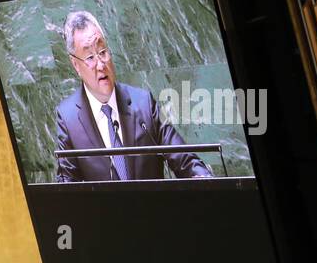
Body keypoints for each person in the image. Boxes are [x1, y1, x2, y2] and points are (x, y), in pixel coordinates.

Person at [54, 10, 214, 182]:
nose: (101, 64)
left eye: (102, 52)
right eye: (90, 57)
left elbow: (184, 159)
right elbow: (67, 186)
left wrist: (207, 179)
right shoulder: (68, 118)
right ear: (76, 64)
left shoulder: (143, 103)